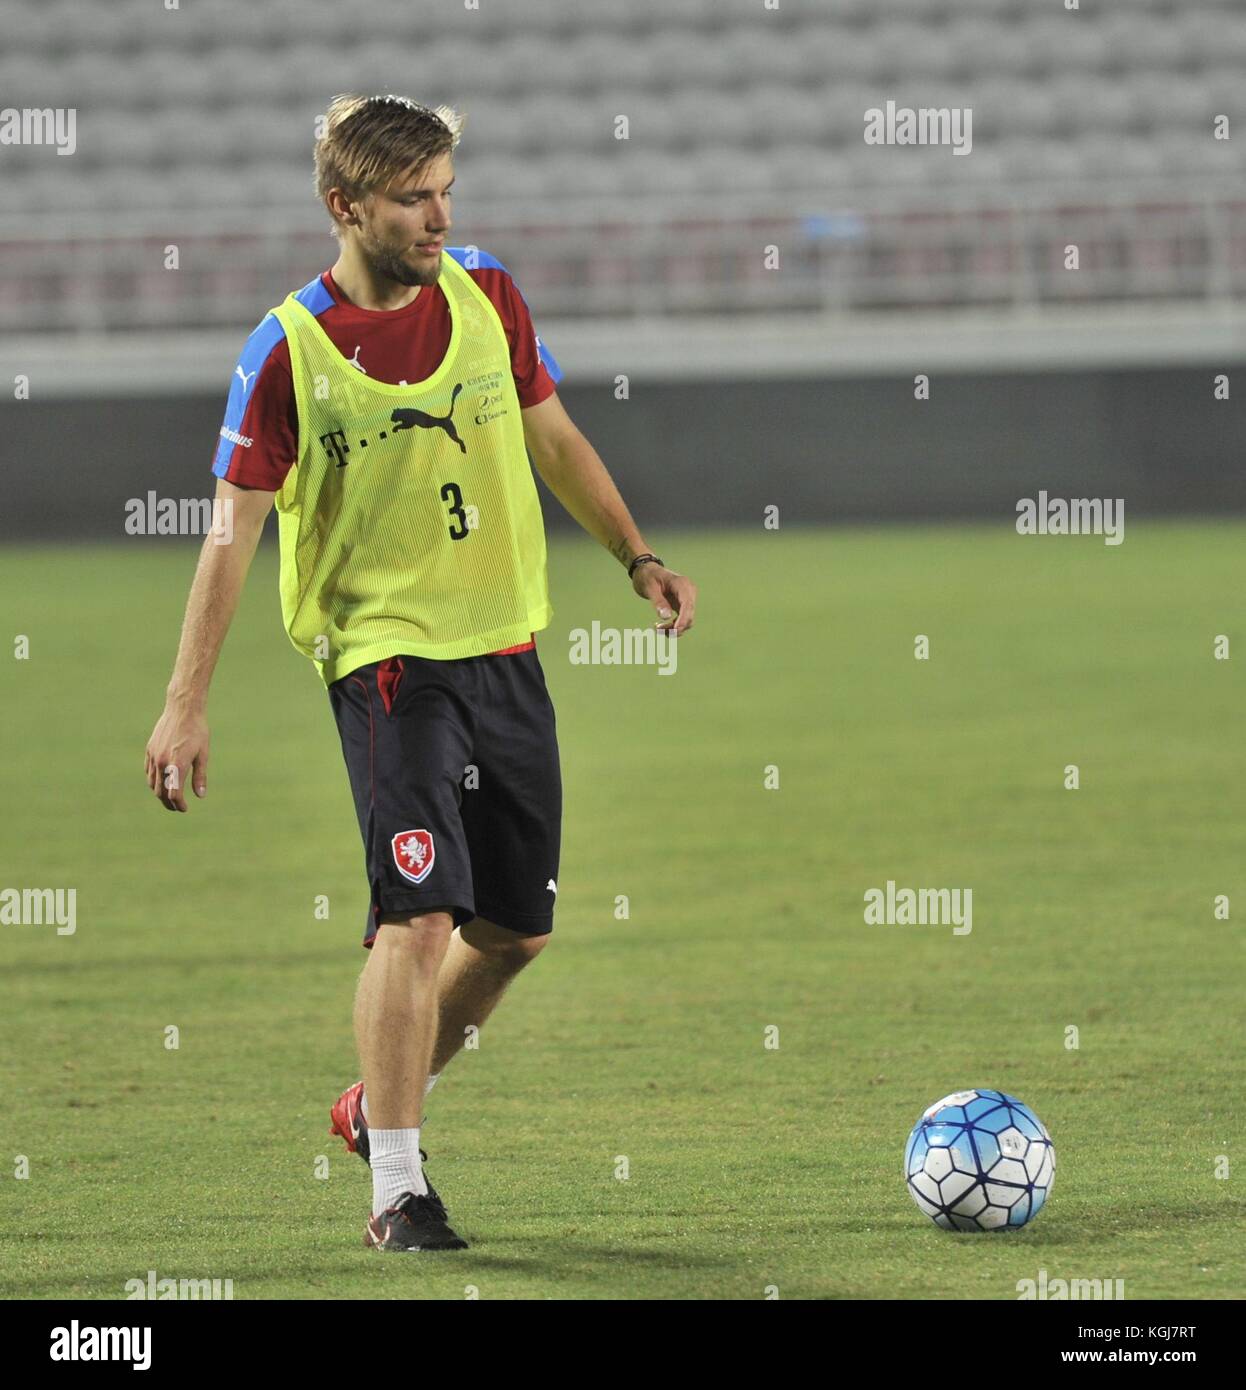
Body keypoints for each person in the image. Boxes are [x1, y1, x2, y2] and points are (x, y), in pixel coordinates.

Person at [144, 93, 698, 1251]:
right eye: (412, 197)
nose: (438, 214)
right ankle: (397, 1189)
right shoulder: (287, 349)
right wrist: (184, 700)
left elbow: (551, 432)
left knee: (512, 933)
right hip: (389, 665)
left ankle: (375, 1102)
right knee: (420, 913)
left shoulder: (487, 291)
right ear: (346, 207)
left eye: (447, 189)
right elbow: (229, 532)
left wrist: (635, 554)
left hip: (505, 649)